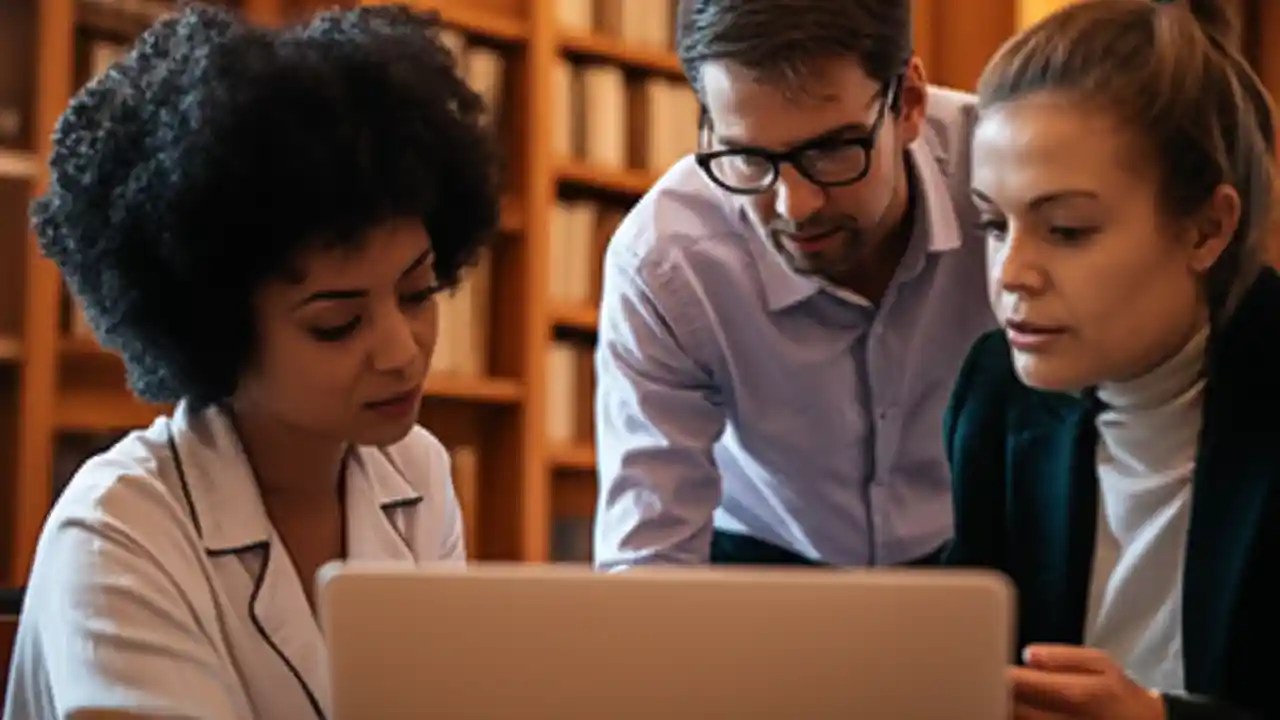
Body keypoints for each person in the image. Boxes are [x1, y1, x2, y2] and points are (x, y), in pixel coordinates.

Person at [3, 4, 498, 718]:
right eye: (337, 324)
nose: (402, 351)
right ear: (216, 328)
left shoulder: (415, 474)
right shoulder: (117, 531)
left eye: (418, 292)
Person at [944, 0, 1278, 717]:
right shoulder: (995, 392)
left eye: (1066, 229)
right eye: (994, 225)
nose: (1011, 274)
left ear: (1206, 229)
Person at [592, 0, 996, 570]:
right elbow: (648, 553)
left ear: (907, 103)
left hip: (985, 549)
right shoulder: (666, 260)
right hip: (763, 557)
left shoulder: (1008, 180)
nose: (795, 205)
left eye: (831, 151)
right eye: (747, 157)